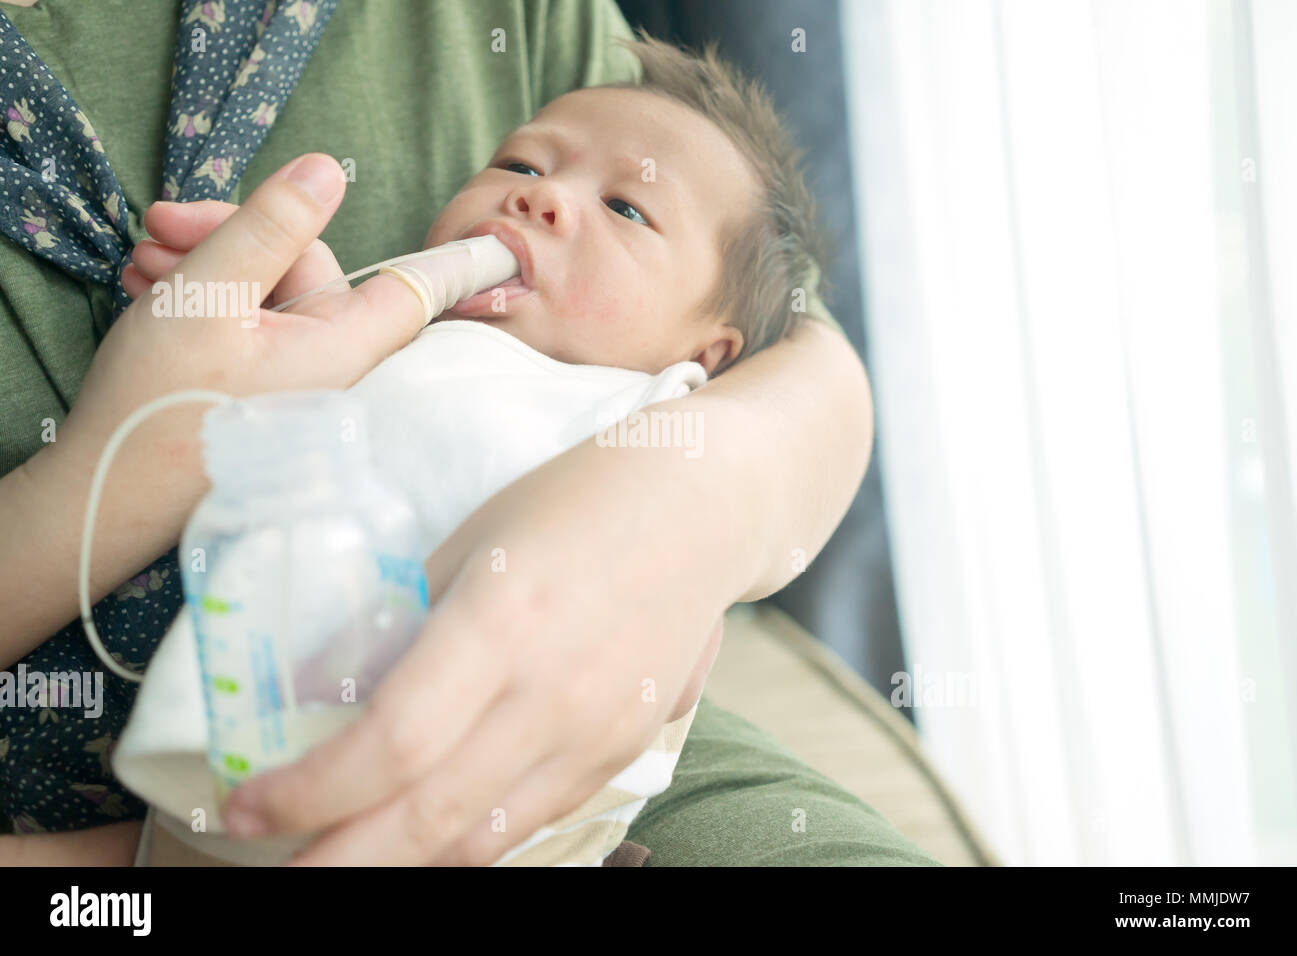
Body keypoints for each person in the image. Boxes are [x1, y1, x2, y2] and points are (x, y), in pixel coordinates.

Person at [0, 0, 938, 866]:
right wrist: (323, 311)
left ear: (710, 348)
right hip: (251, 725)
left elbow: (813, 360)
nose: (539, 198)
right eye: (520, 165)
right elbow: (354, 421)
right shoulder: (416, 332)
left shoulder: (650, 401)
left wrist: (699, 490)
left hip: (498, 773)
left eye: (626, 209)